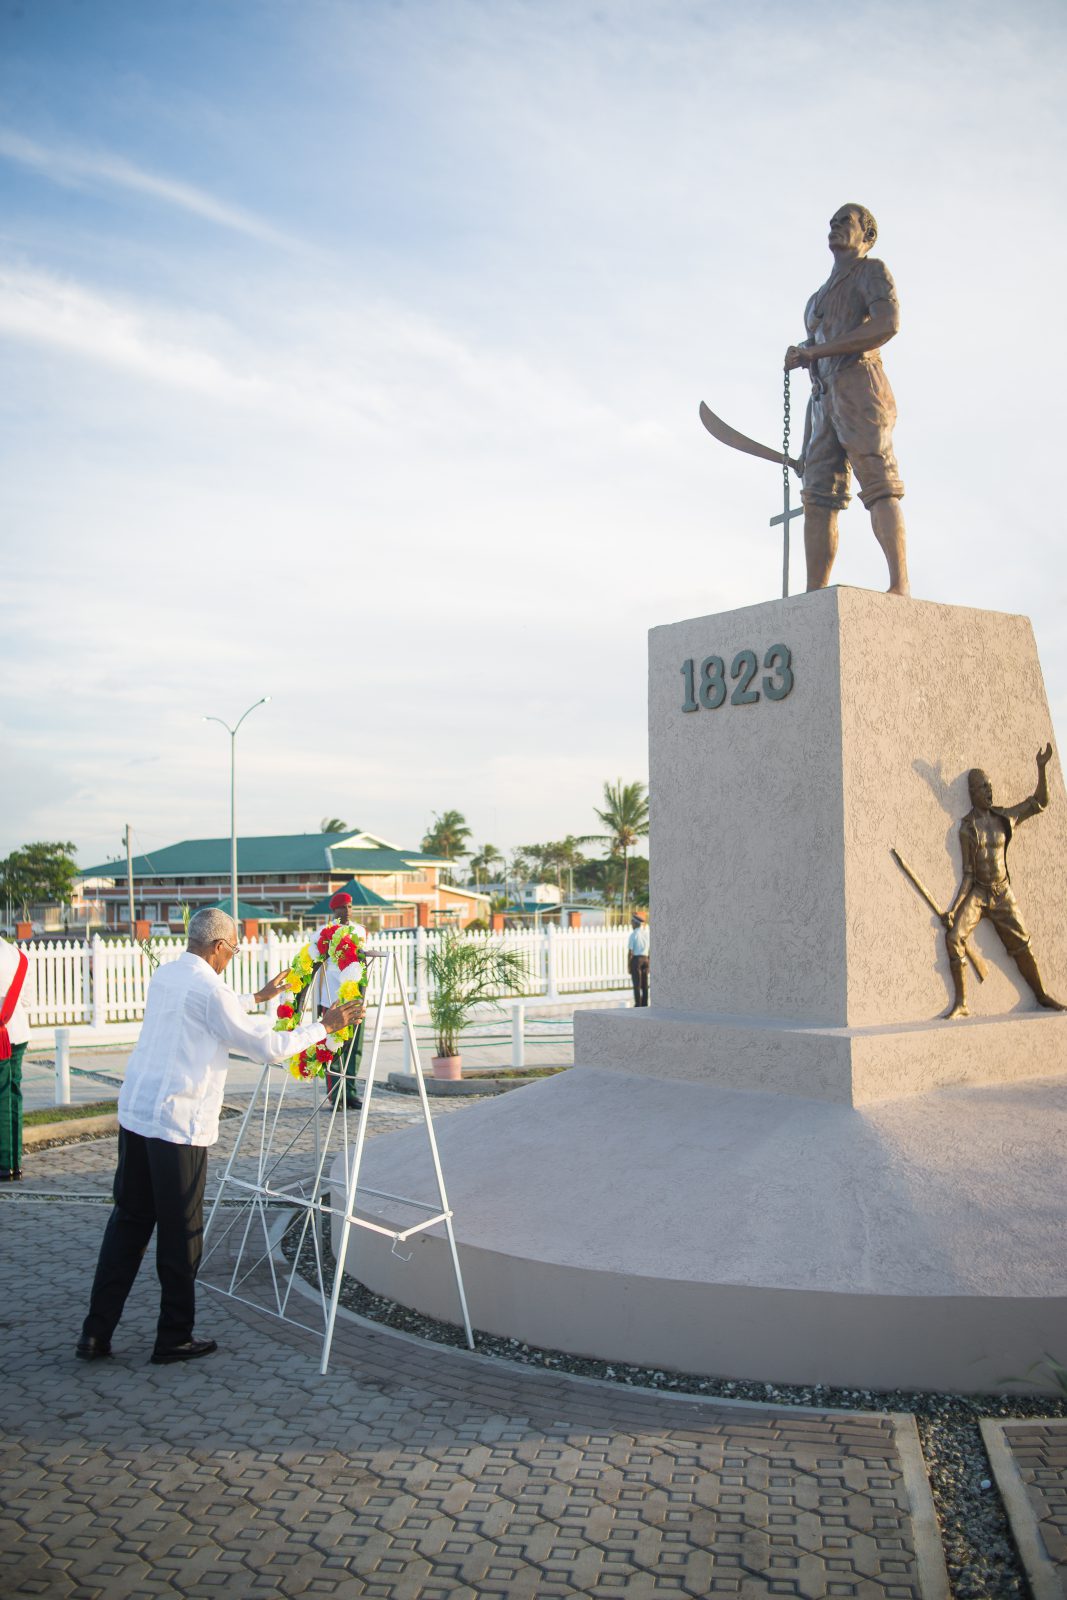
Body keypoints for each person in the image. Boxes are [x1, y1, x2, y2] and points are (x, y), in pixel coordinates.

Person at [76, 908, 364, 1365]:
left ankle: (96, 1333)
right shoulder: (211, 990)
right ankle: (173, 1336)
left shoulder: (168, 975)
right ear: (216, 946)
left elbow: (213, 1014)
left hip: (138, 1113)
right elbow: (266, 1047)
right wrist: (324, 1027)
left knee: (128, 1224)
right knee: (182, 1233)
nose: (233, 954)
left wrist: (258, 996)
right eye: (233, 947)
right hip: (177, 1123)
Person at [785, 204, 909, 597]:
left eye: (846, 221)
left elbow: (887, 324)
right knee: (817, 494)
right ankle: (814, 592)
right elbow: (821, 344)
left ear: (866, 236)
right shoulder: (815, 298)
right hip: (824, 399)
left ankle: (899, 583)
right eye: (833, 222)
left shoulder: (871, 271)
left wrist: (815, 353)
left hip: (860, 384)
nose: (835, 226)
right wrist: (805, 351)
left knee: (878, 481)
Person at [942, 745, 1066, 1019]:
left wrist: (1042, 769)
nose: (989, 791)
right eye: (983, 788)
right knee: (953, 938)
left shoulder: (1005, 818)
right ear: (972, 793)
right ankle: (961, 1004)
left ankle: (1042, 995)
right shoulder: (967, 828)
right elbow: (969, 874)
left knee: (1023, 945)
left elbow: (1039, 802)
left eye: (989, 786)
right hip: (978, 892)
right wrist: (954, 909)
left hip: (1002, 892)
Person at [311, 891, 365, 1109]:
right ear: (334, 910)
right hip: (332, 999)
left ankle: (350, 1093)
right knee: (334, 1048)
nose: (347, 911)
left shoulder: (360, 931)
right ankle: (336, 1096)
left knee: (354, 1048)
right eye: (343, 907)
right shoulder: (322, 933)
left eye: (350, 907)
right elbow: (314, 963)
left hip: (355, 997)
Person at [0, 934, 30, 1182]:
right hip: (16, 1032)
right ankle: (13, 1163)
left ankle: (2, 1161)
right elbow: (27, 999)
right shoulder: (16, 955)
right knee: (13, 1096)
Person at [627, 911, 650, 1007]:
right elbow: (650, 950)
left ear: (636, 923)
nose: (631, 924)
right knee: (645, 985)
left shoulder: (633, 935)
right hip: (646, 960)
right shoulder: (647, 934)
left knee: (637, 984)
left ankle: (638, 1004)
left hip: (637, 960)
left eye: (632, 922)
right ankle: (645, 1004)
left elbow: (630, 952)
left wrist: (628, 965)